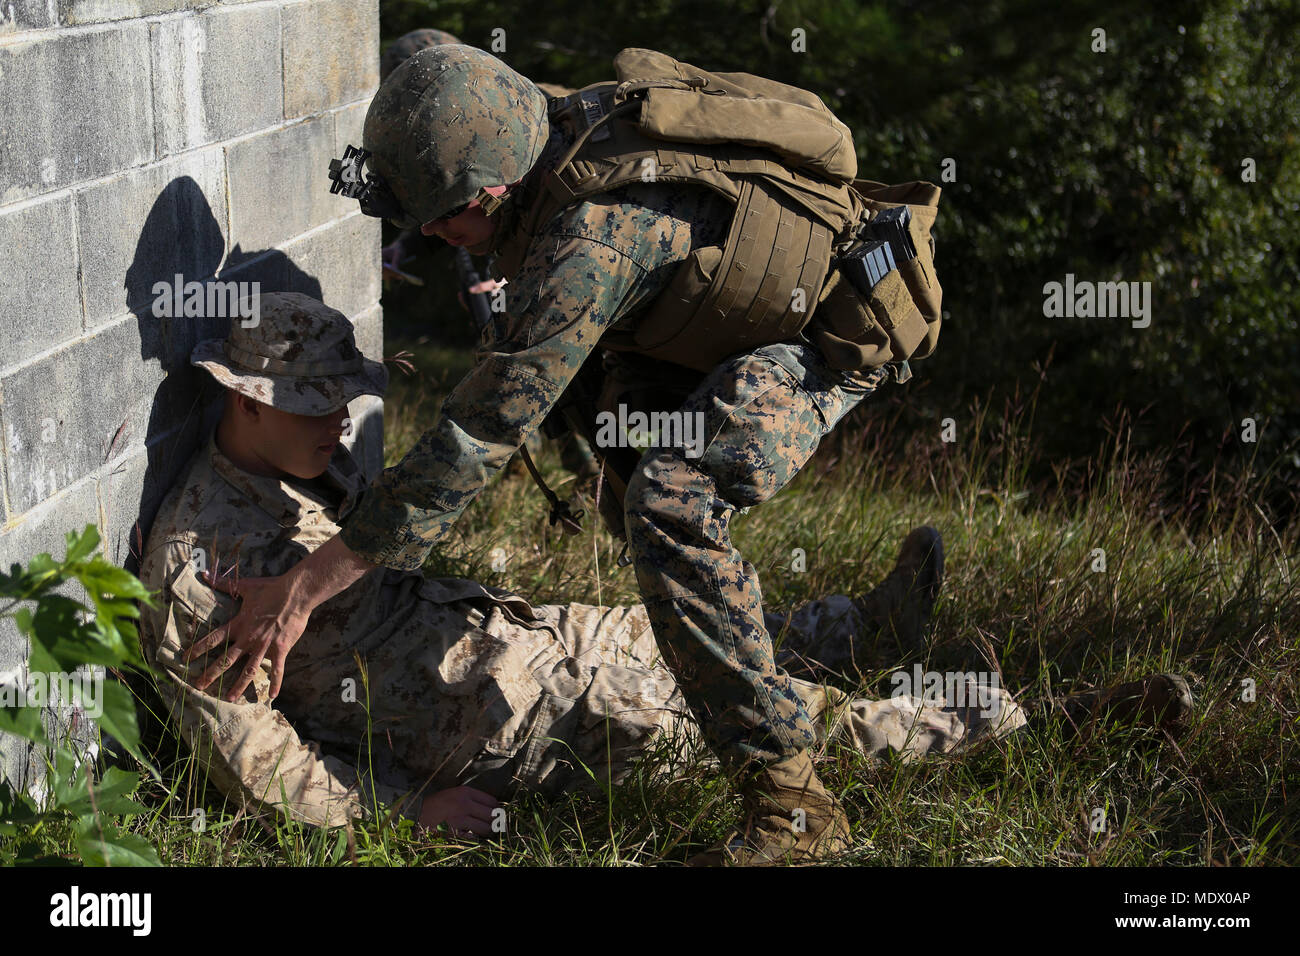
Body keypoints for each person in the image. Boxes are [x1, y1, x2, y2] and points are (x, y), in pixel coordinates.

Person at [202, 49, 1189, 864]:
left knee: (671, 502)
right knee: (640, 496)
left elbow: (477, 435)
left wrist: (305, 587)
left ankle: (791, 806)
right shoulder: (537, 122)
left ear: (495, 188)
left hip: (834, 327)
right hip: (699, 319)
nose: (436, 238)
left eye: (445, 219)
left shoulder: (588, 237)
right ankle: (842, 635)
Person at [141, 292, 1065, 843]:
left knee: (691, 631)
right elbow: (248, 754)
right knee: (742, 719)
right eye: (316, 404)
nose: (340, 419)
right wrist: (400, 811)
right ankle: (1017, 721)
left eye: (344, 398)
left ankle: (857, 629)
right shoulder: (204, 568)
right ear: (244, 399)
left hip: (519, 635)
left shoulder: (303, 465)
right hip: (506, 716)